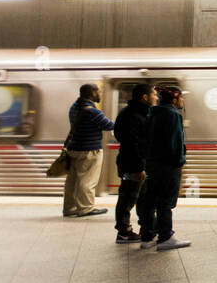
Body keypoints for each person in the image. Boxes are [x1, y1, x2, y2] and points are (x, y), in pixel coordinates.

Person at [141, 86, 191, 251]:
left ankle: (147, 236)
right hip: (168, 166)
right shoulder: (173, 115)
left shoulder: (152, 113)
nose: (182, 101)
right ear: (175, 99)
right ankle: (166, 236)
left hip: (153, 164)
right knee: (165, 202)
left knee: (151, 200)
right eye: (181, 97)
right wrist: (179, 162)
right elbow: (174, 143)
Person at [62, 83, 114, 217]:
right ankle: (86, 208)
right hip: (90, 150)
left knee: (72, 181)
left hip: (74, 148)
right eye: (99, 92)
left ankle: (70, 208)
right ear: (92, 93)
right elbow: (108, 125)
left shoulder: (74, 107)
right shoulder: (92, 111)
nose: (101, 94)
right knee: (87, 180)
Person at [112, 84, 154, 243]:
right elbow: (132, 143)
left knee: (140, 197)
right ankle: (123, 232)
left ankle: (142, 227)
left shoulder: (133, 113)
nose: (156, 97)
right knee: (128, 197)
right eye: (154, 94)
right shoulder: (133, 115)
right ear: (145, 97)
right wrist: (138, 167)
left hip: (133, 162)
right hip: (132, 164)